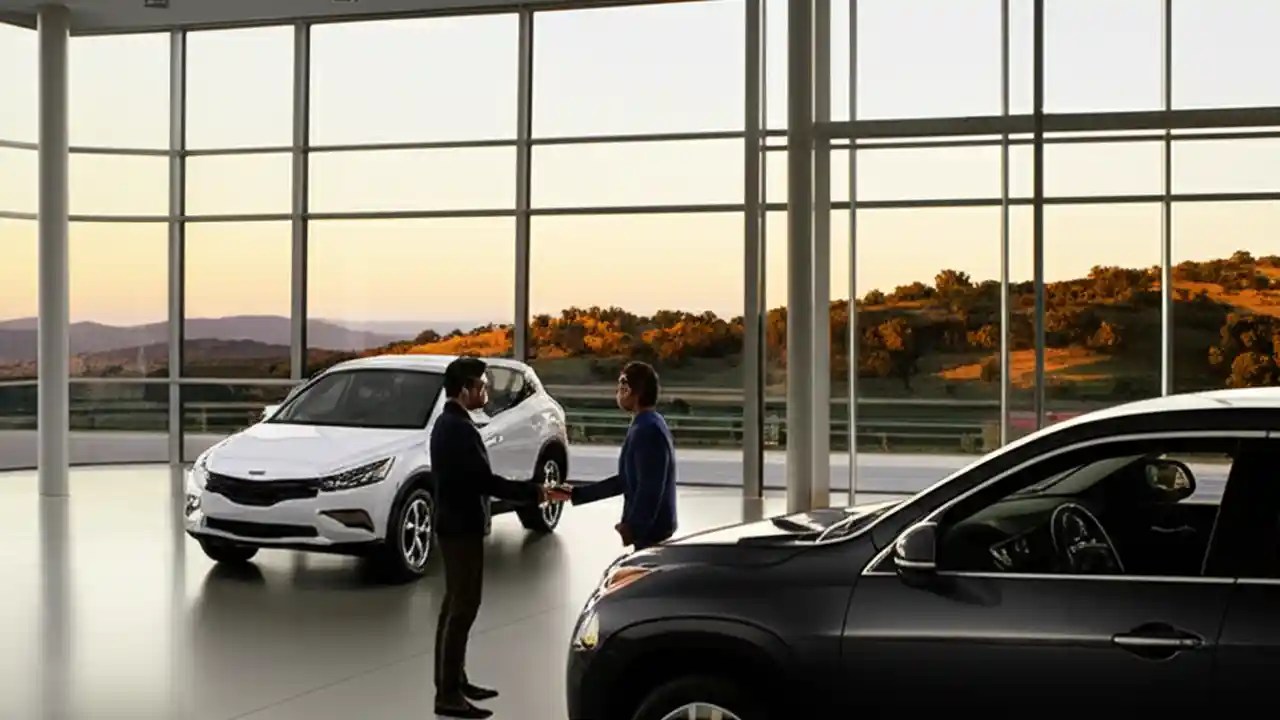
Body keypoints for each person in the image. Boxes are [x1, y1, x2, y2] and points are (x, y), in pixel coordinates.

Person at [430, 356, 561, 719]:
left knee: (453, 606)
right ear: (464, 390)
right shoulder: (456, 429)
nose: (486, 391)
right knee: (462, 609)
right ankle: (449, 694)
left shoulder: (451, 424)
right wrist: (533, 492)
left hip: (455, 525)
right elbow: (482, 482)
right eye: (481, 386)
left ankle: (454, 680)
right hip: (461, 529)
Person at [562, 361, 677, 551]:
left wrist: (634, 528)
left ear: (632, 391)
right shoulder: (648, 423)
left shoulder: (647, 430)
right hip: (652, 531)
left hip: (651, 535)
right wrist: (576, 494)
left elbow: (650, 488)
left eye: (621, 387)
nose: (618, 393)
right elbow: (628, 480)